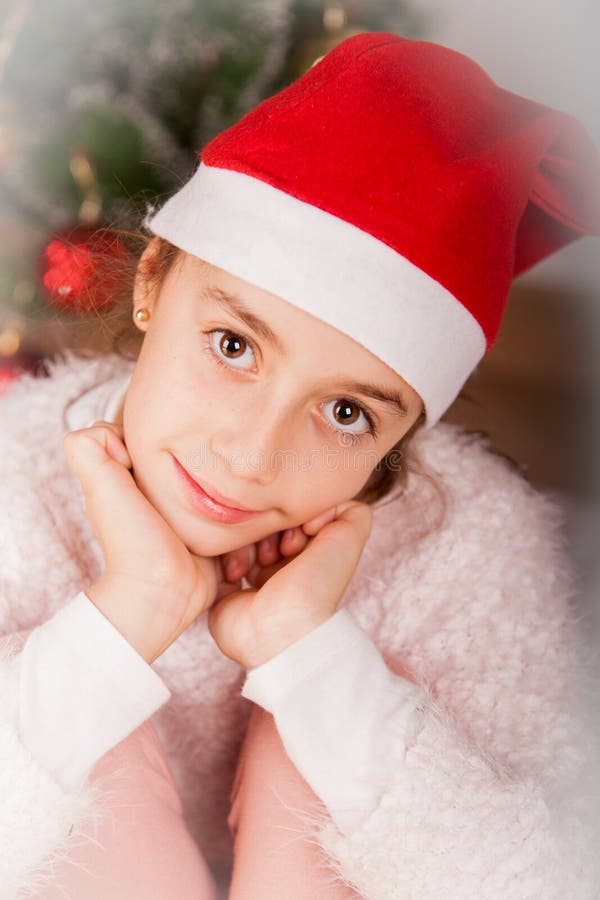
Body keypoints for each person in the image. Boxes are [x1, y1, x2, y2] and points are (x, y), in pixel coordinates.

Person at [1, 30, 599, 900]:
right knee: (56, 715)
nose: (250, 457)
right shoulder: (15, 479)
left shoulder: (474, 546)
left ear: (402, 435)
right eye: (233, 345)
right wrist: (128, 615)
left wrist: (312, 660)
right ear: (152, 281)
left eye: (346, 412)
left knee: (341, 725)